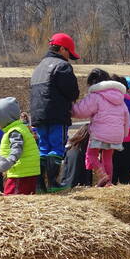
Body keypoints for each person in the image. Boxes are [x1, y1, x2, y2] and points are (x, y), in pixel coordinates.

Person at [29, 32, 81, 188]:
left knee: (43, 148)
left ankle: (39, 186)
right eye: (69, 53)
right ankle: (52, 183)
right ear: (63, 49)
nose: (68, 57)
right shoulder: (62, 66)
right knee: (57, 147)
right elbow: (72, 92)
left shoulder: (39, 67)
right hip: (57, 114)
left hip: (38, 115)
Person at [71, 68, 130, 188]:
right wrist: (124, 134)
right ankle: (108, 183)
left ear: (93, 82)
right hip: (116, 135)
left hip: (100, 133)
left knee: (91, 156)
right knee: (107, 158)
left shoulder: (96, 96)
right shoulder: (120, 98)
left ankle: (102, 175)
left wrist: (70, 108)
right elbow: (126, 117)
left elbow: (81, 111)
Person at [0, 97, 40, 194]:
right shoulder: (20, 128)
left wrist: (9, 161)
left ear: (5, 118)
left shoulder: (15, 131)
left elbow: (17, 149)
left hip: (20, 172)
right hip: (25, 171)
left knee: (12, 198)